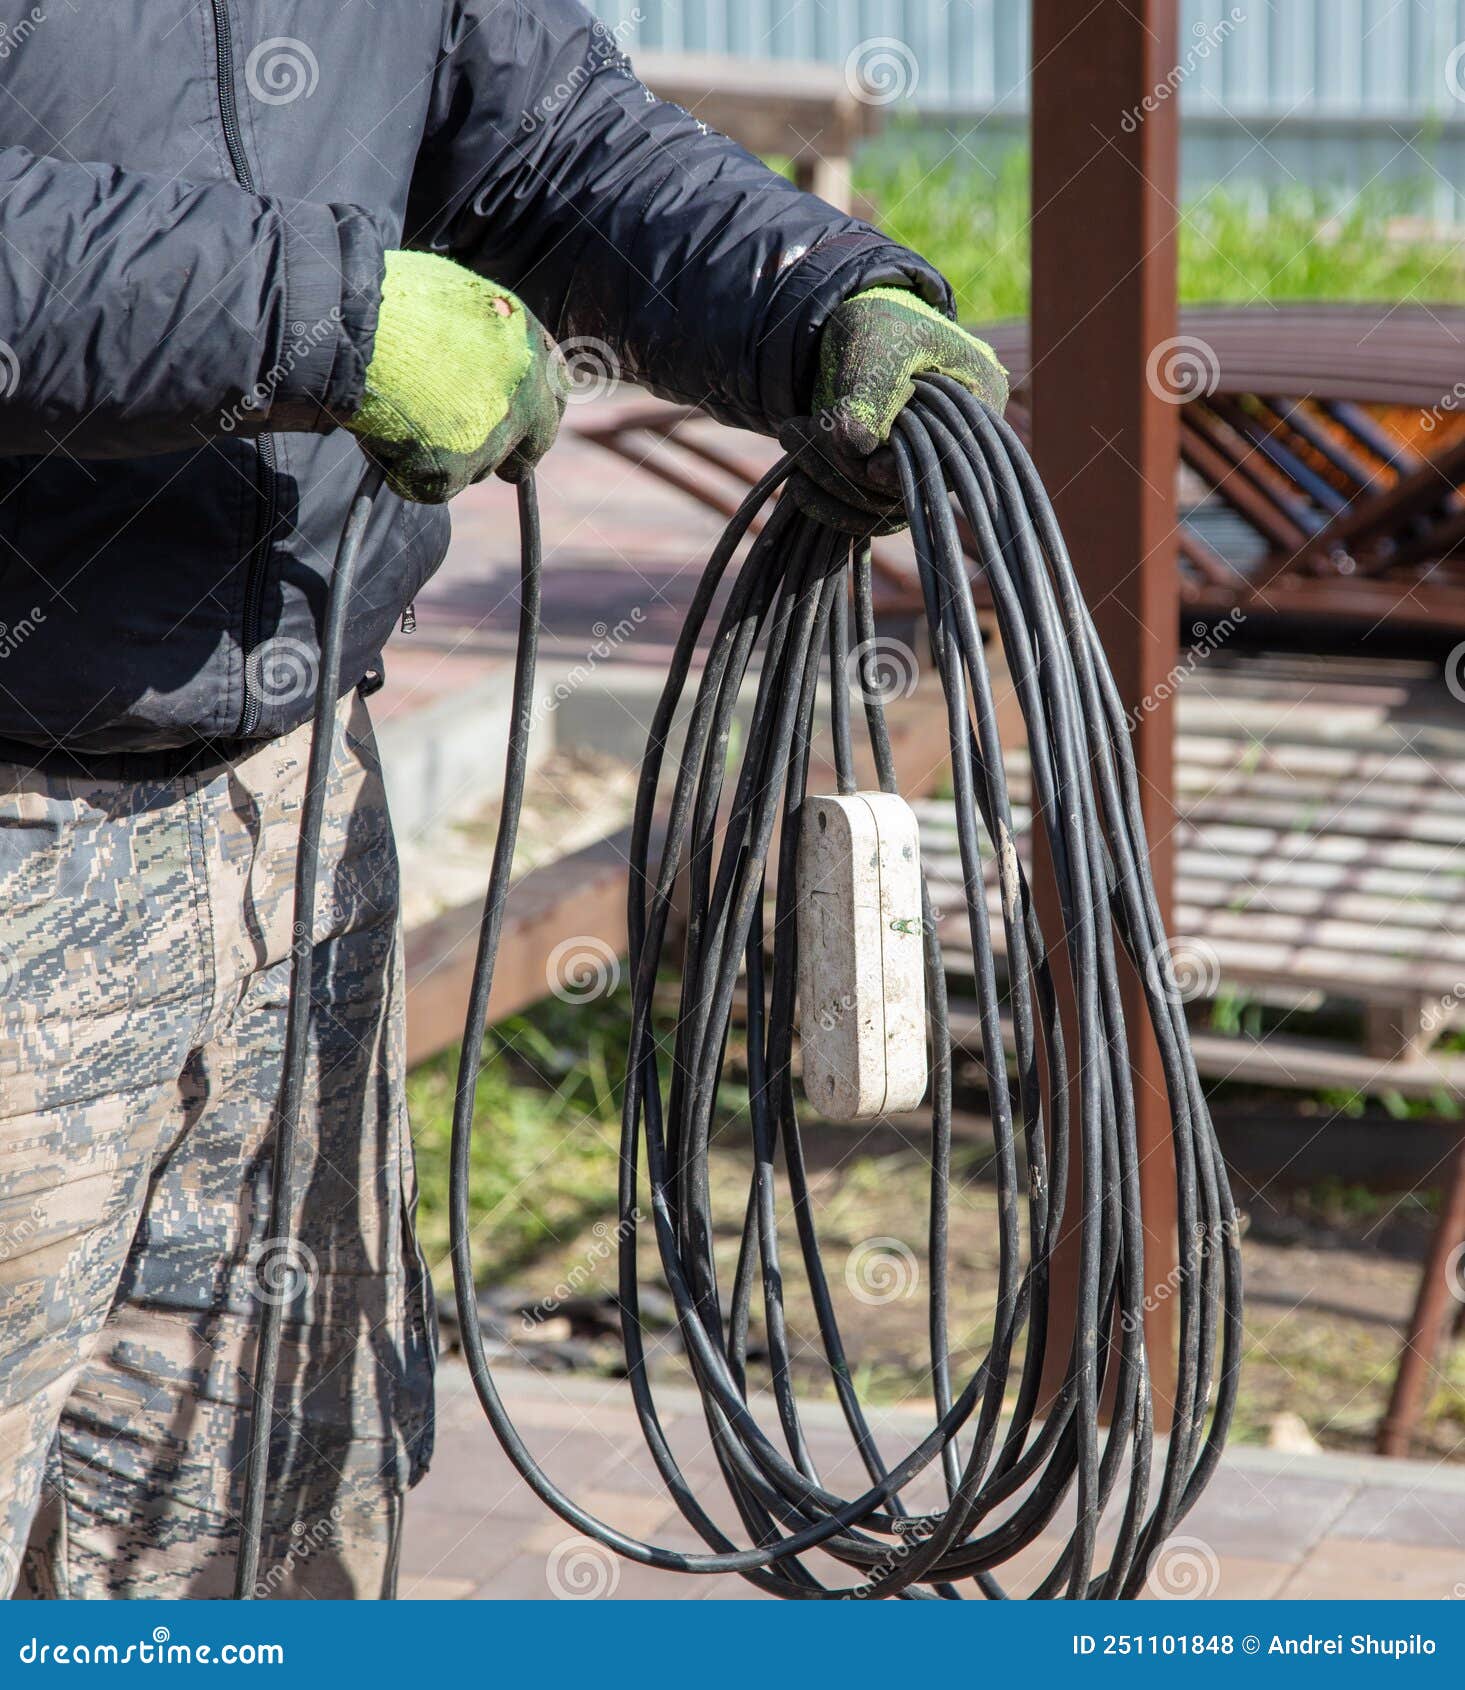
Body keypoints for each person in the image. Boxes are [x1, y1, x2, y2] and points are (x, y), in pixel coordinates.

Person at [0, 0, 1005, 1598]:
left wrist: (814, 299)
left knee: (263, 1531)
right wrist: (323, 316)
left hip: (287, 810)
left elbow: (543, 141)